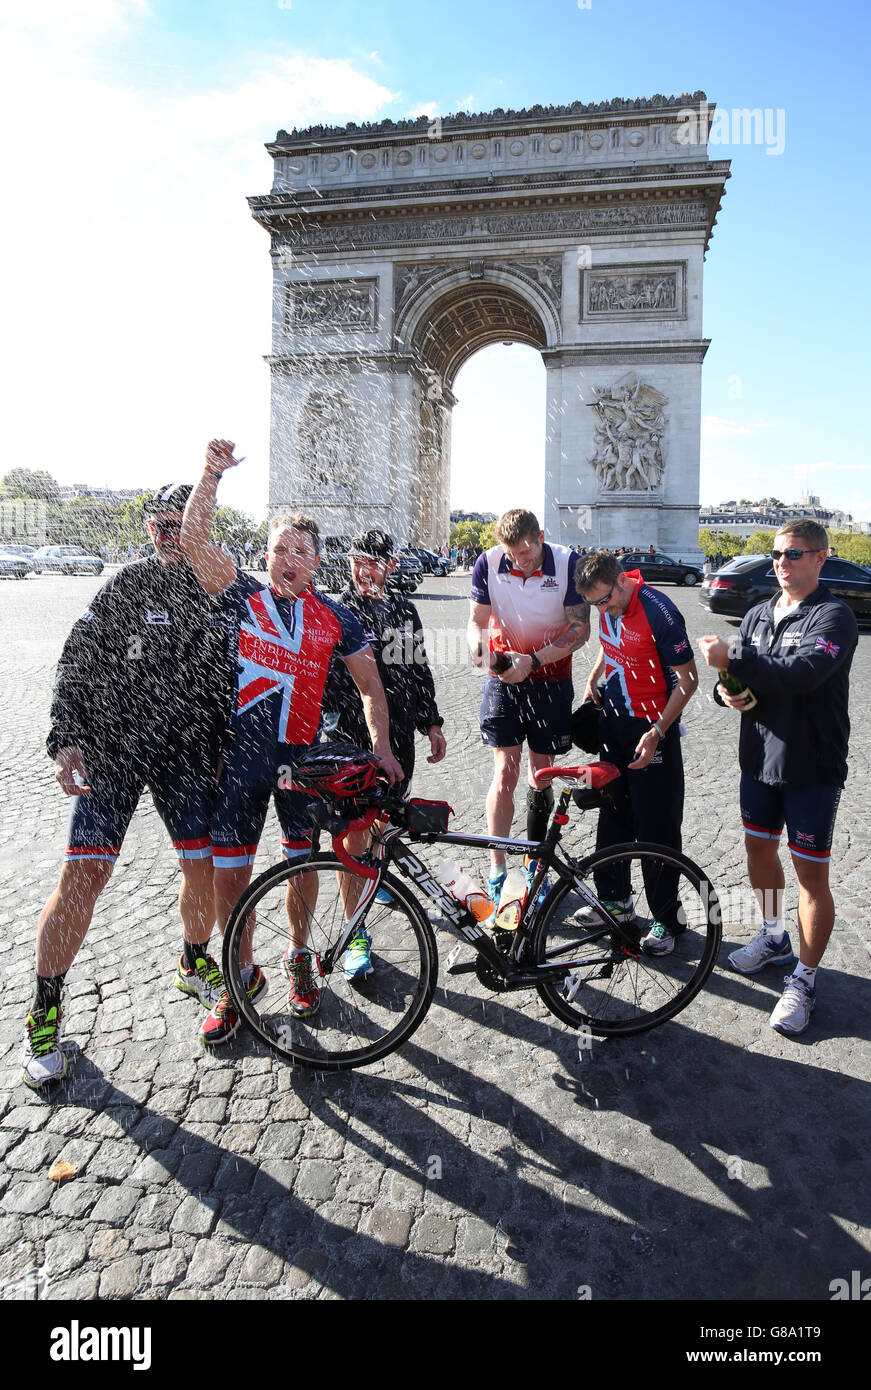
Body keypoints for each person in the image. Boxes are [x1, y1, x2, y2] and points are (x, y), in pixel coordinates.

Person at [180, 441, 403, 1040]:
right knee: (231, 875)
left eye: (301, 551)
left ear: (317, 563)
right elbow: (194, 541)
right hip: (245, 760)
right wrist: (211, 475)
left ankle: (298, 957)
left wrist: (381, 746)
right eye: (280, 548)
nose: (288, 558)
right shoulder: (242, 596)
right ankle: (237, 973)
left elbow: (371, 690)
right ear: (267, 555)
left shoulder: (336, 616)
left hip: (301, 763)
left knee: (300, 864)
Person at [21, 485, 233, 1089]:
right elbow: (74, 662)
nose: (171, 536)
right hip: (112, 752)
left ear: (197, 529)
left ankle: (193, 961)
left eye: (181, 526)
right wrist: (65, 736)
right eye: (162, 526)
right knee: (81, 878)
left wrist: (220, 750)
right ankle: (44, 1010)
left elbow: (226, 682)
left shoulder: (214, 593)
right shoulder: (122, 588)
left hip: (182, 757)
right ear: (148, 529)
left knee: (202, 871)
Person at [699, 519, 858, 1034]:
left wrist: (734, 656)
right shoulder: (758, 614)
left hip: (812, 765)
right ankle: (772, 936)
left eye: (793, 555)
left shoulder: (834, 616)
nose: (781, 563)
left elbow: (804, 674)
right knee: (758, 854)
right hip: (758, 759)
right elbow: (742, 682)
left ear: (821, 557)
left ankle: (805, 980)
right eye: (776, 554)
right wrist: (725, 692)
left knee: (812, 878)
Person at [321, 528, 446, 971]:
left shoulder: (402, 609)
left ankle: (374, 874)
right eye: (356, 560)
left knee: (384, 820)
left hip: (398, 741)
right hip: (352, 738)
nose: (362, 570)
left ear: (390, 565)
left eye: (372, 562)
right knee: (353, 834)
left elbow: (418, 668)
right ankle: (354, 932)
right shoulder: (334, 609)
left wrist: (431, 721)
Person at [576, 550, 698, 954]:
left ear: (621, 580)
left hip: (652, 730)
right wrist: (596, 673)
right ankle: (616, 901)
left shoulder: (659, 611)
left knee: (657, 827)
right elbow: (609, 642)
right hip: (615, 723)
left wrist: (659, 731)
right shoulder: (607, 601)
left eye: (603, 600)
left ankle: (668, 919)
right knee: (612, 815)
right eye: (594, 604)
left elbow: (689, 679)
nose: (601, 608)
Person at [468, 508, 591, 902]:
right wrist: (478, 646)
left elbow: (581, 629)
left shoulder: (569, 562)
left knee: (542, 774)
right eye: (513, 556)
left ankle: (534, 866)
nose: (520, 562)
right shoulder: (487, 561)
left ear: (540, 536)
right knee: (504, 771)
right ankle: (498, 868)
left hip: (550, 680)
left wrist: (534, 661)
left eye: (527, 552)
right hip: (502, 679)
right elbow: (477, 620)